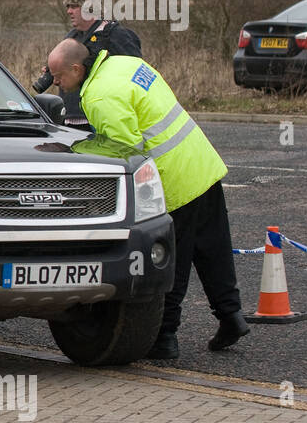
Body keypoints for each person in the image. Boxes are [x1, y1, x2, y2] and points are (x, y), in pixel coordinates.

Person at [46, 39, 249, 359]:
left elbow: (124, 150)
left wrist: (78, 148)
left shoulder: (99, 95)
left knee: (174, 262)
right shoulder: (125, 64)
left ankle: (165, 337)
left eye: (58, 76)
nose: (55, 82)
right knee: (214, 249)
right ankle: (232, 317)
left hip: (174, 181)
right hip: (201, 163)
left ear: (76, 68)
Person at [54, 0, 142, 128]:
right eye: (68, 6)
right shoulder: (71, 37)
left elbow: (135, 74)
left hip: (102, 121)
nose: (69, 11)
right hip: (69, 120)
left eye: (74, 6)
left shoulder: (115, 35)